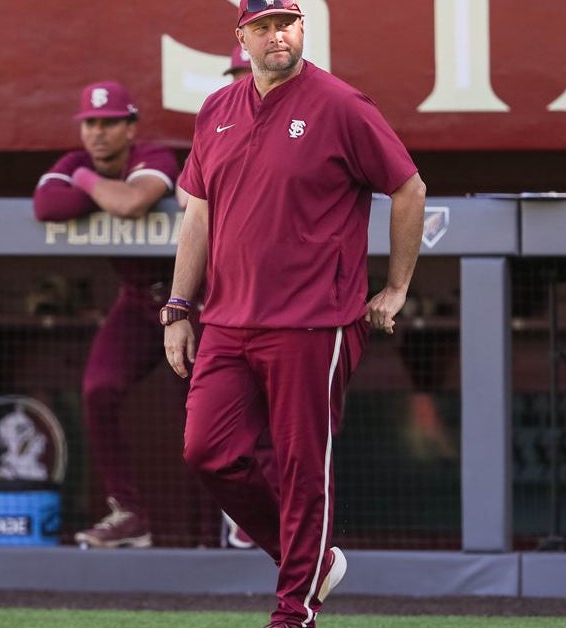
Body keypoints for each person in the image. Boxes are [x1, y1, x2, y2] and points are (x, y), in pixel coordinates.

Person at [164, 2, 426, 625]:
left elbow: (408, 187)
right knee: (207, 452)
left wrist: (396, 289)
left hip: (314, 320)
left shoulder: (341, 103)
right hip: (227, 319)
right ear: (242, 37)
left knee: (302, 466)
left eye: (286, 23)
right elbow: (197, 213)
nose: (275, 35)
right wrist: (178, 306)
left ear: (303, 30)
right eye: (262, 25)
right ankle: (308, 559)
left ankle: (294, 612)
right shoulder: (216, 110)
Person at [32, 80, 183, 549]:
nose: (97, 134)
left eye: (110, 123)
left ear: (130, 128)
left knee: (210, 417)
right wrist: (89, 182)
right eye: (90, 124)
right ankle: (129, 511)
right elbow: (46, 206)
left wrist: (85, 183)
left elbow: (132, 202)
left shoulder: (154, 157)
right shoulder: (79, 163)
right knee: (99, 389)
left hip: (195, 299)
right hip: (139, 301)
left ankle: (245, 519)